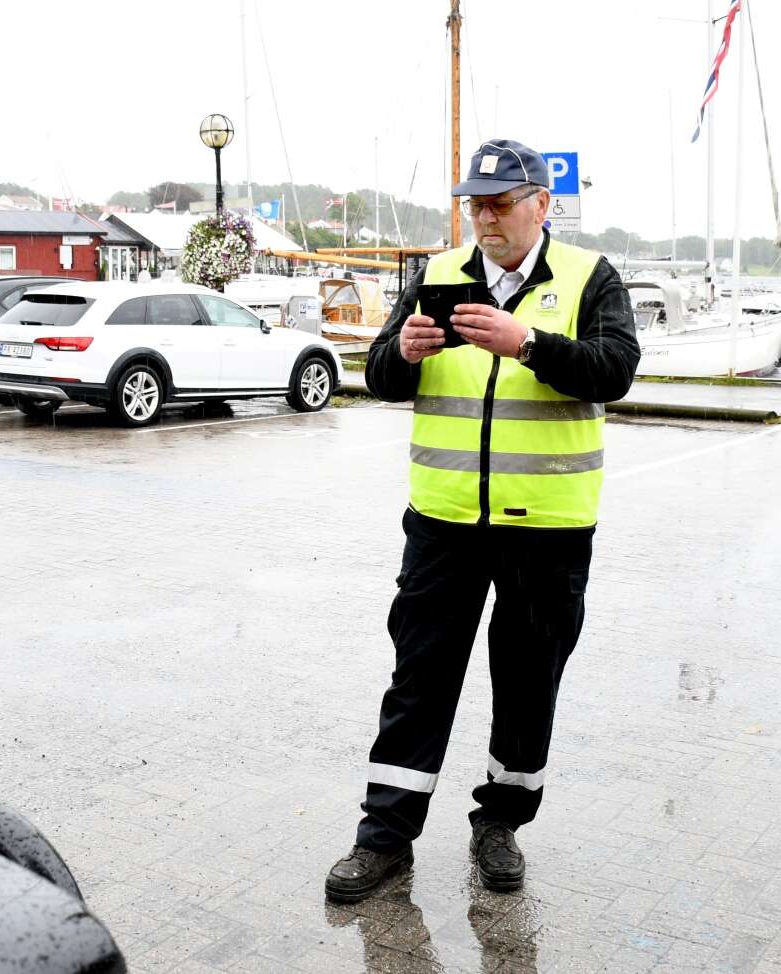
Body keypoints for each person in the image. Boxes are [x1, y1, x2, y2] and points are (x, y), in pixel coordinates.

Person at [325, 138, 641, 903]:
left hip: (549, 526)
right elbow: (378, 379)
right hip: (443, 520)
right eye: (475, 203)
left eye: (500, 203)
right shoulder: (435, 276)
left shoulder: (589, 277)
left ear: (541, 204)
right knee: (418, 680)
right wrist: (400, 351)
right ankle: (384, 840)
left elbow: (616, 370)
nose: (485, 217)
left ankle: (499, 823)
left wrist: (528, 344)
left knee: (528, 682)